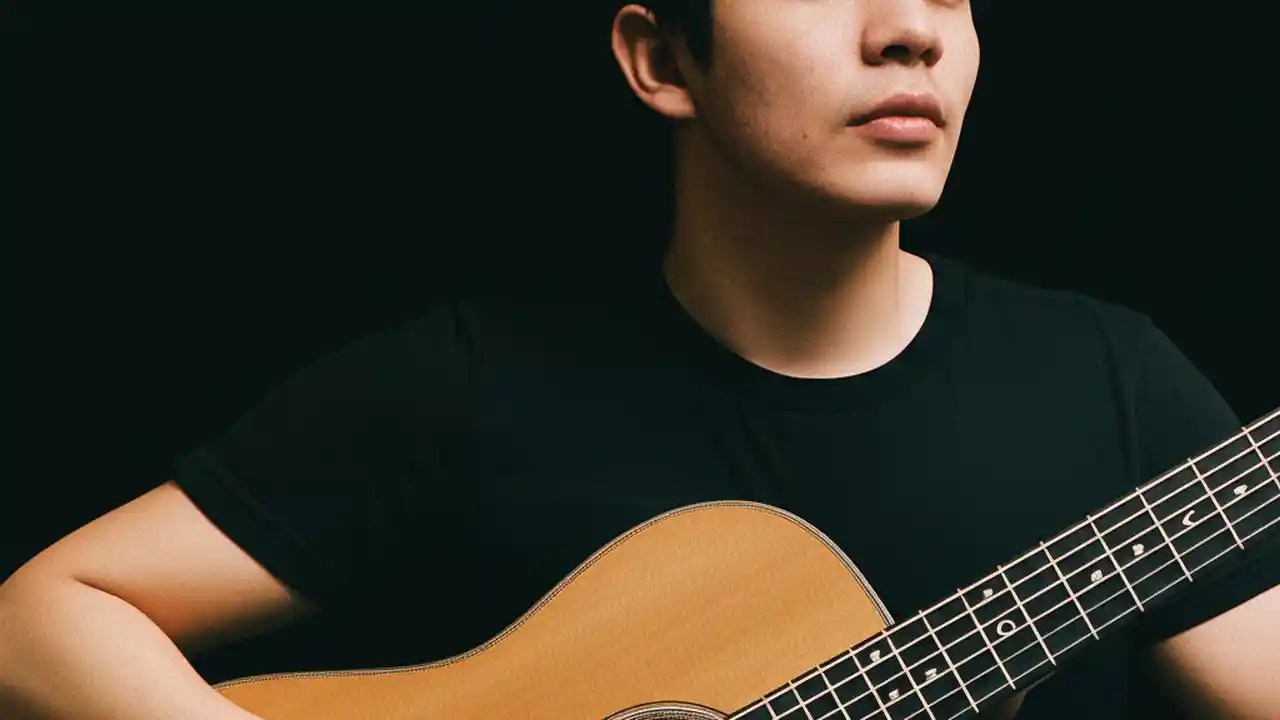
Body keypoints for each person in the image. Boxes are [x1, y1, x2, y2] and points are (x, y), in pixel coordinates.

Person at [2, 2, 1277, 719]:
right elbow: (36, 623)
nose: (912, 33)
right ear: (661, 58)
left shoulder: (1113, 381)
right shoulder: (463, 385)